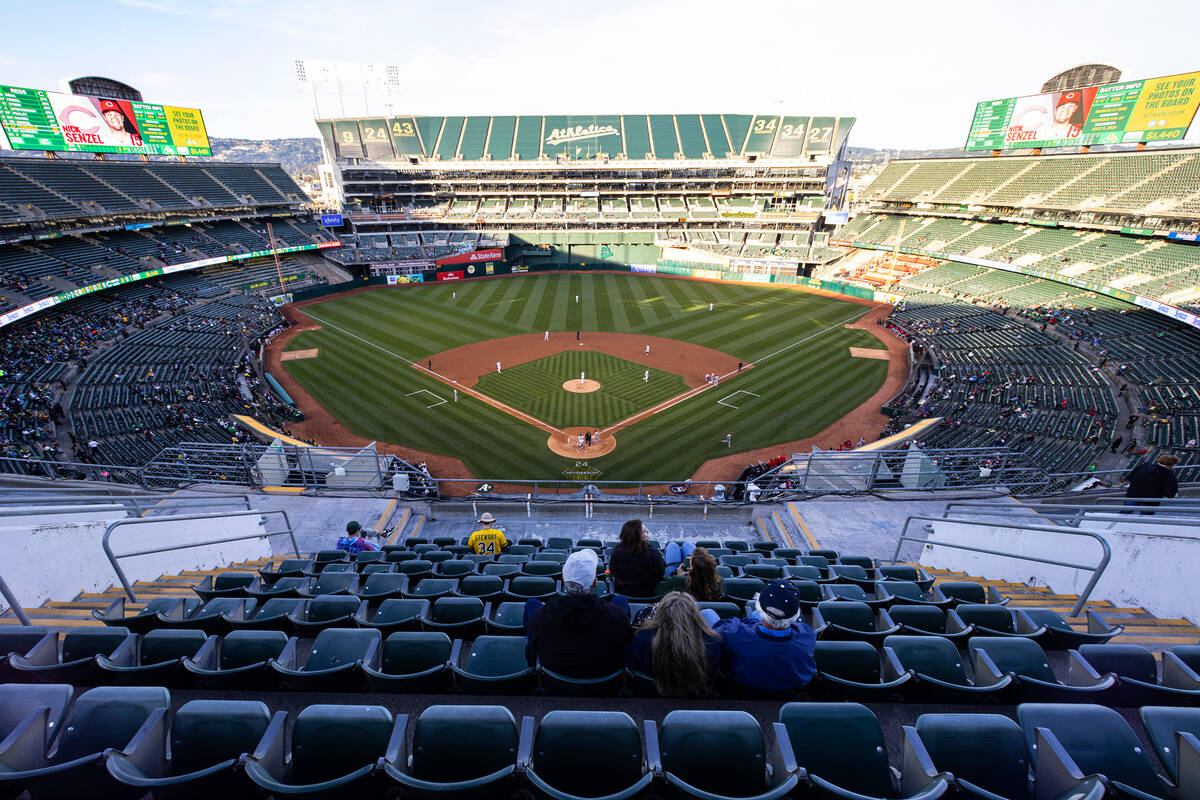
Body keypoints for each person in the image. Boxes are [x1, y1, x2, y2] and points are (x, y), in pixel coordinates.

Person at [525, 548, 630, 677]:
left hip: (555, 685)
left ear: (563, 579)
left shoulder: (540, 616)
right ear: (595, 582)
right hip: (605, 686)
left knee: (532, 604)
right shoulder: (617, 616)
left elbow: (530, 656)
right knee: (621, 600)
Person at [713, 579, 816, 692]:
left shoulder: (733, 633)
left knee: (708, 613)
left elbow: (720, 628)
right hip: (788, 694)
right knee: (755, 616)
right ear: (796, 613)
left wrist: (747, 624)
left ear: (759, 605)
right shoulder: (808, 635)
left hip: (742, 691)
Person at [625, 592, 722, 697]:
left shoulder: (642, 638)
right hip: (699, 702)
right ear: (696, 616)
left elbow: (631, 667)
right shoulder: (713, 641)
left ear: (660, 615)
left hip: (649, 700)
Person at [609, 519, 666, 597]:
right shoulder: (654, 553)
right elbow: (661, 573)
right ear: (636, 536)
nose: (648, 531)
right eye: (644, 531)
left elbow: (613, 572)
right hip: (649, 596)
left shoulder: (617, 551)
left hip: (623, 595)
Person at [658, 546, 723, 600]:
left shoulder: (678, 580)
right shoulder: (718, 584)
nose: (689, 558)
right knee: (687, 544)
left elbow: (658, 590)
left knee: (672, 546)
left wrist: (677, 575)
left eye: (691, 561)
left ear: (692, 569)